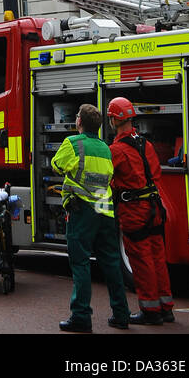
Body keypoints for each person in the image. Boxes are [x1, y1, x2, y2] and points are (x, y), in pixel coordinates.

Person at [51, 103, 131, 333]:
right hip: (104, 211)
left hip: (81, 210)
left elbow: (57, 165)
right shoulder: (107, 148)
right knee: (111, 264)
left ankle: (81, 317)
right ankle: (121, 314)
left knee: (81, 263)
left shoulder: (73, 143)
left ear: (79, 122)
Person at [107, 97, 175, 326]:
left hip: (134, 210)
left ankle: (150, 311)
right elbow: (155, 174)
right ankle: (166, 307)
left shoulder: (116, 150)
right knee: (157, 257)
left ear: (115, 120)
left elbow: (110, 181)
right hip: (154, 208)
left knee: (140, 258)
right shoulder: (146, 144)